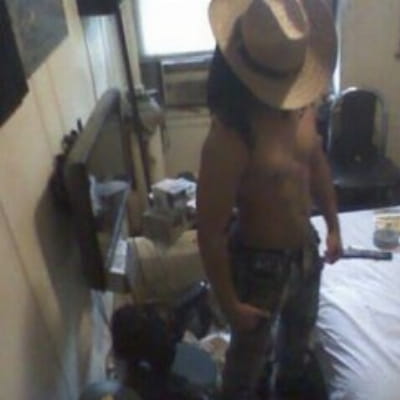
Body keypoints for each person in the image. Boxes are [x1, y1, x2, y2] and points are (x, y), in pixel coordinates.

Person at [196, 0, 342, 399]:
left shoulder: (302, 108)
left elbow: (317, 163)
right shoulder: (229, 136)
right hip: (259, 268)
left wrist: (333, 225)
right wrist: (230, 304)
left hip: (305, 253)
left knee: (296, 353)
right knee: (245, 370)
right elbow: (209, 233)